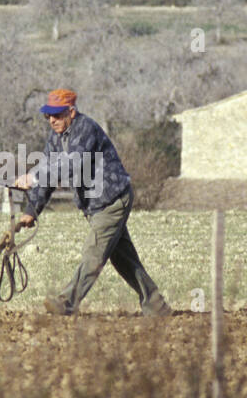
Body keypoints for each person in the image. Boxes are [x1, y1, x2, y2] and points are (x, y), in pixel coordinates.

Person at [14, 90, 171, 317]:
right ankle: (156, 306)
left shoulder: (85, 129)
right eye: (48, 116)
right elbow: (49, 173)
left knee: (94, 253)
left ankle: (67, 302)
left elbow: (70, 166)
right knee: (124, 260)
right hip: (95, 206)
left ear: (71, 111)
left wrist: (34, 177)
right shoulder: (55, 139)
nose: (52, 120)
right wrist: (31, 210)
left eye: (57, 115)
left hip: (112, 200)